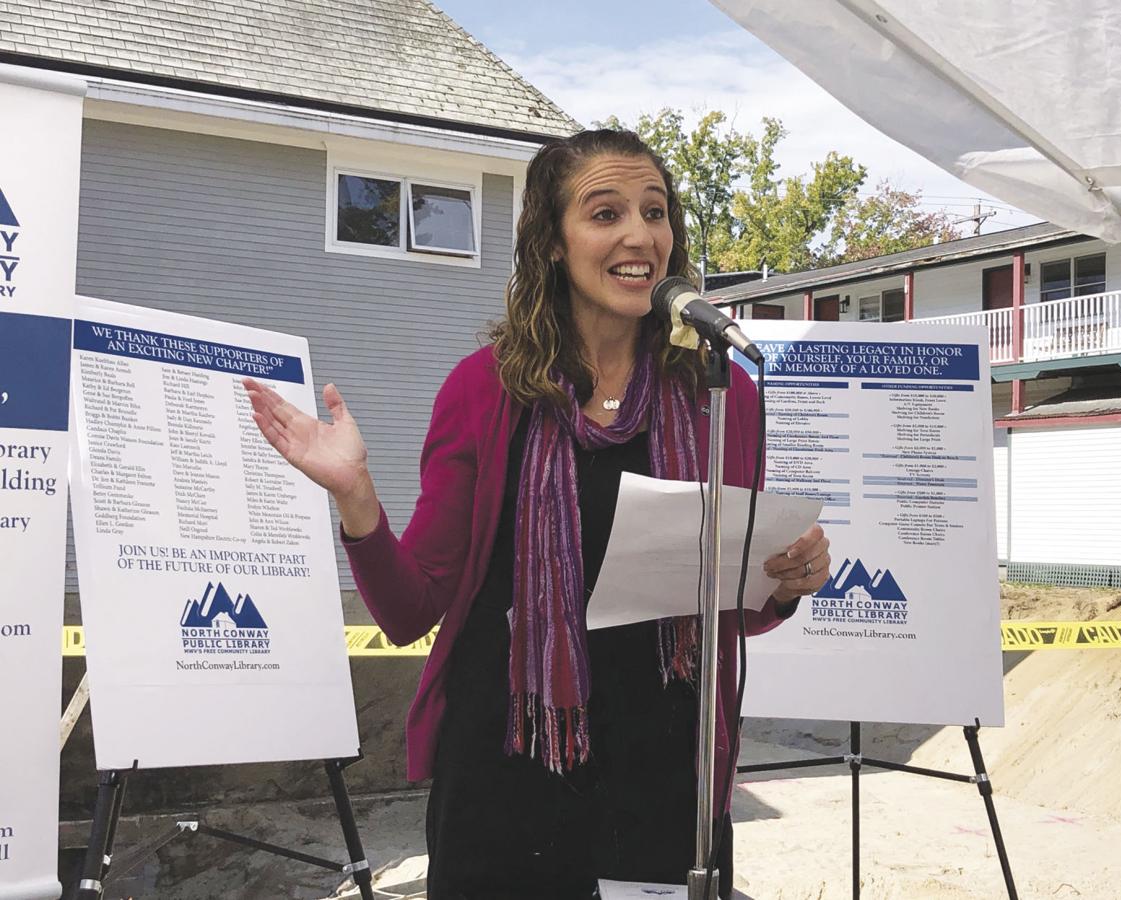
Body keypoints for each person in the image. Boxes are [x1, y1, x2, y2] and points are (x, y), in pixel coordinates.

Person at [244, 128, 832, 899]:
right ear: (552, 242)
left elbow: (732, 612)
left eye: (655, 212)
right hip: (507, 776)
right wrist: (357, 499)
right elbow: (410, 609)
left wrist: (785, 581)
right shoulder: (483, 391)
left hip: (665, 779)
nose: (639, 235)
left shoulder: (721, 396)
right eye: (605, 213)